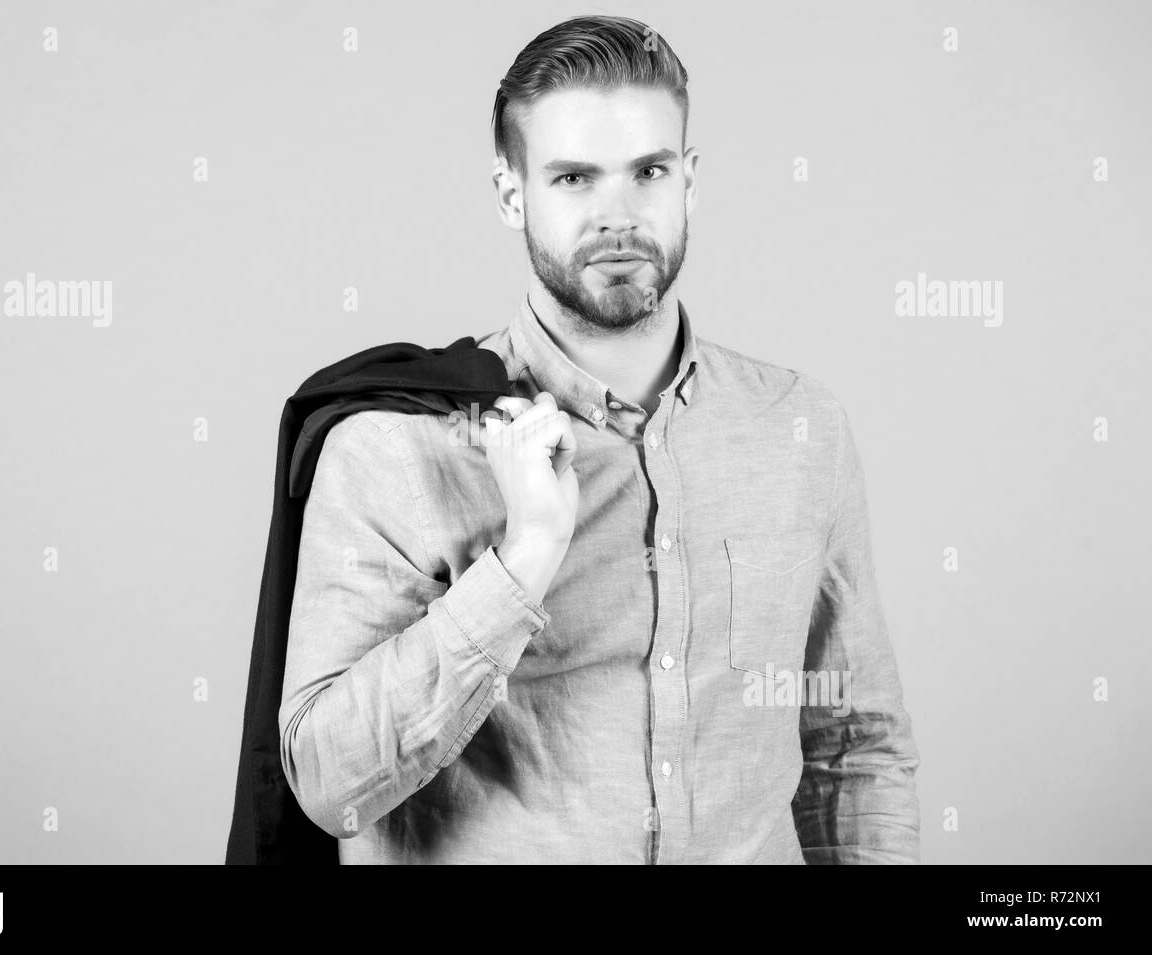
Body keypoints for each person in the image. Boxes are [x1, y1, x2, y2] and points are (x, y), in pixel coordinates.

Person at [277, 14, 920, 864]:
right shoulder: (397, 443)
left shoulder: (800, 431)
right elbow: (328, 783)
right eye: (574, 177)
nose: (618, 215)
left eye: (648, 171)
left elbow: (854, 746)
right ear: (512, 194)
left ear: (689, 181)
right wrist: (520, 563)